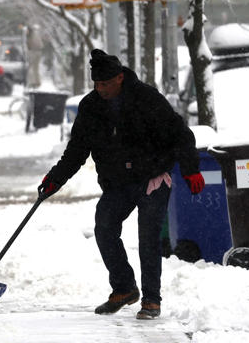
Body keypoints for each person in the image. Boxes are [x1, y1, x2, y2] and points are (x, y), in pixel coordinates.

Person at [38, 49, 204, 320]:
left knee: (148, 237)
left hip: (152, 178)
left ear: (119, 78)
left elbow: (180, 134)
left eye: (105, 83)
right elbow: (77, 150)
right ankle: (124, 287)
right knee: (104, 227)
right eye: (96, 84)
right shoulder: (90, 107)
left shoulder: (146, 98)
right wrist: (54, 180)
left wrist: (191, 170)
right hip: (117, 182)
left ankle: (151, 300)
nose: (100, 89)